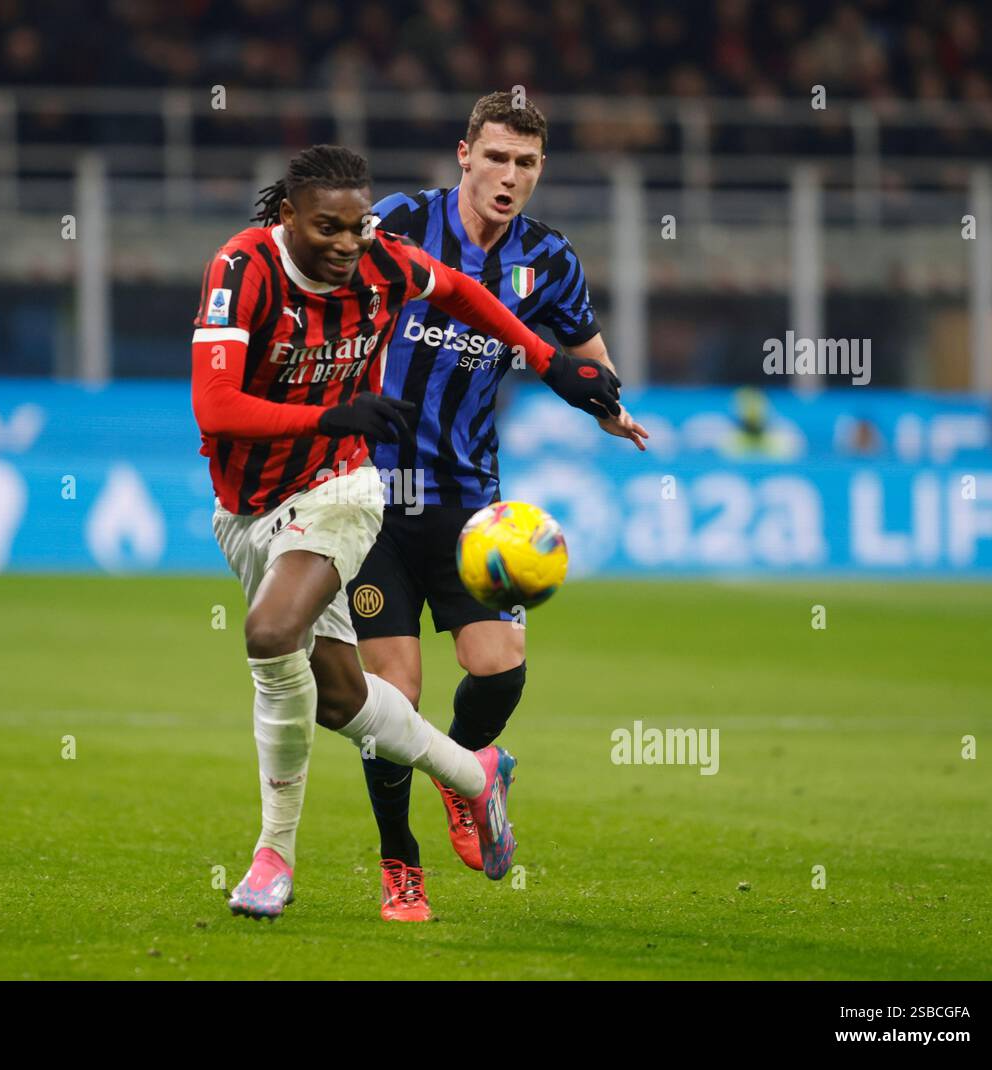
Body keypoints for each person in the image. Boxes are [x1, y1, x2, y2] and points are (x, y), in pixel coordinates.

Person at [191, 143, 623, 919]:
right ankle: (471, 774)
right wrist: (327, 412)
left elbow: (460, 292)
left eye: (358, 229)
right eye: (328, 228)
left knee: (271, 634)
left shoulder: (384, 261)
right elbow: (215, 406)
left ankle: (275, 858)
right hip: (249, 506)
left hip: (348, 488)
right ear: (287, 217)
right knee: (342, 699)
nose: (347, 245)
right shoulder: (242, 270)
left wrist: (546, 361)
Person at [349, 92, 649, 921]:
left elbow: (583, 355)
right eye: (497, 158)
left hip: (471, 501)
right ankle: (398, 865)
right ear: (464, 155)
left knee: (499, 667)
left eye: (526, 164)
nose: (509, 176)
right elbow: (333, 289)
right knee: (392, 697)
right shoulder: (398, 220)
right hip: (366, 496)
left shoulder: (549, 260)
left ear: (539, 170)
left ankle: (467, 768)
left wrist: (608, 402)